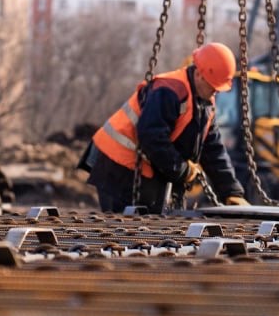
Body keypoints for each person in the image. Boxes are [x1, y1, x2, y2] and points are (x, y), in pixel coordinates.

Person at [81, 42, 250, 213]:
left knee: (149, 225)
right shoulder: (170, 91)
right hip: (117, 165)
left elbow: (213, 149)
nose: (217, 92)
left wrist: (231, 191)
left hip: (141, 166)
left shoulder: (205, 104)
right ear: (199, 74)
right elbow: (151, 137)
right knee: (127, 230)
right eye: (214, 86)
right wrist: (182, 171)